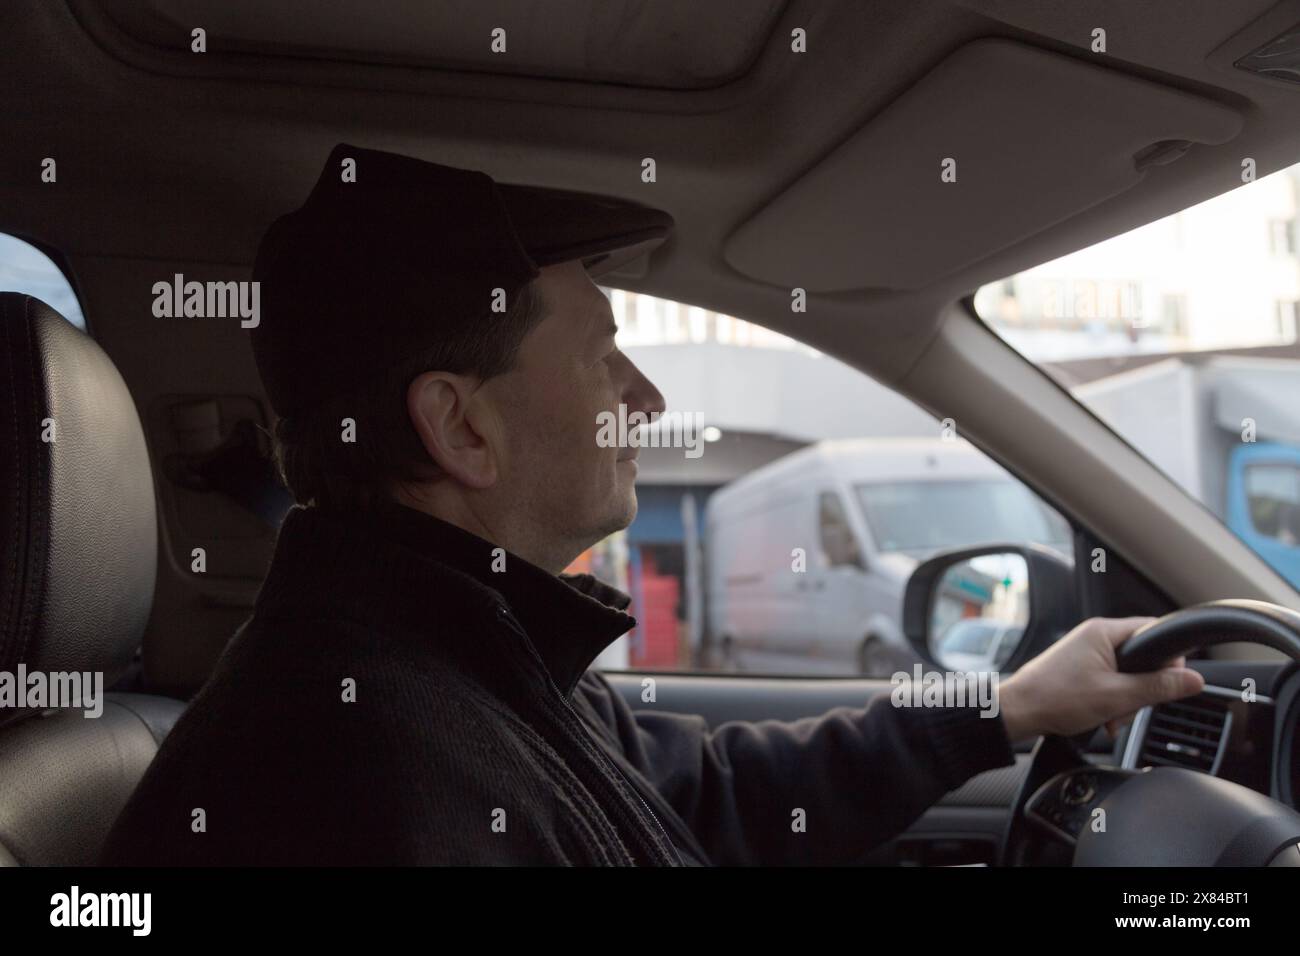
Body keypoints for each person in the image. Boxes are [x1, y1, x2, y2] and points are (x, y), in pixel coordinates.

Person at [100, 144, 1204, 866]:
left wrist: (1008, 705)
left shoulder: (474, 653)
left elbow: (713, 794)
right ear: (460, 427)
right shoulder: (357, 769)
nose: (648, 397)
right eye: (601, 359)